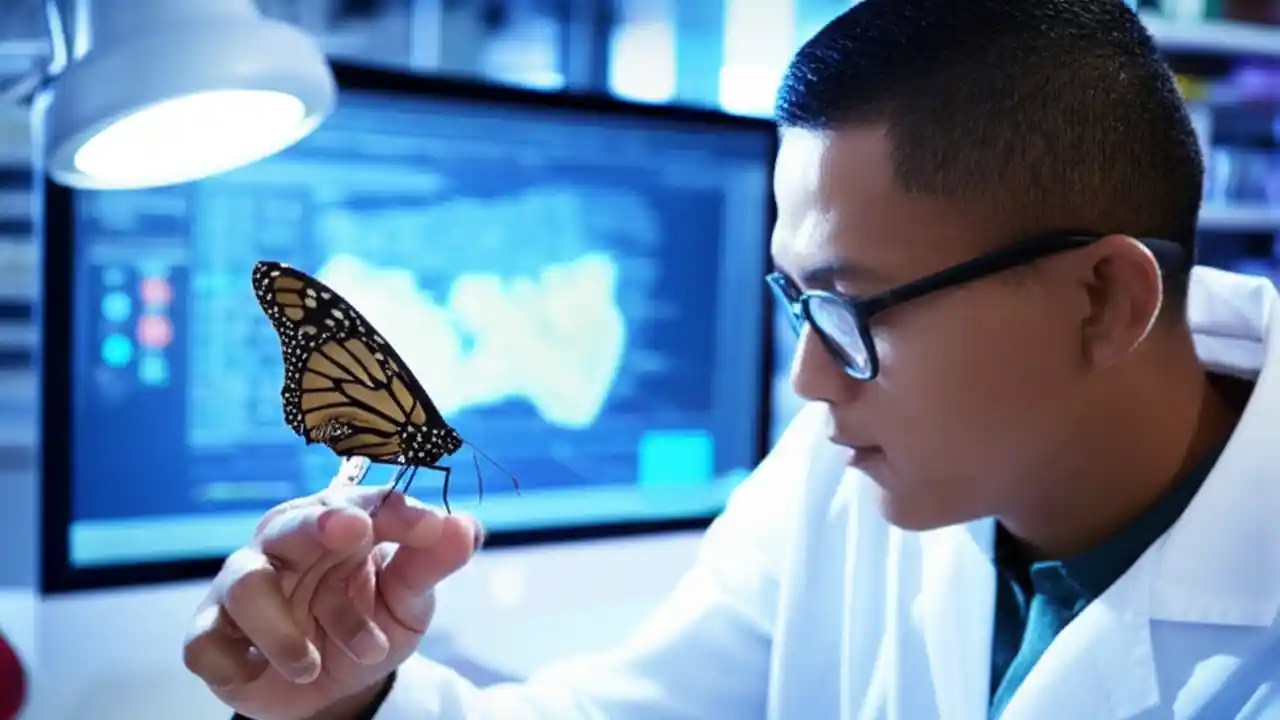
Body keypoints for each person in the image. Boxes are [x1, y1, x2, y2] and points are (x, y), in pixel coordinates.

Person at [183, 1, 1280, 718]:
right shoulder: (851, 467)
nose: (809, 381)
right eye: (794, 300)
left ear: (1103, 300)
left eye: (852, 308)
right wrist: (347, 696)